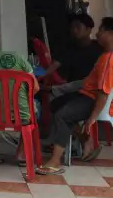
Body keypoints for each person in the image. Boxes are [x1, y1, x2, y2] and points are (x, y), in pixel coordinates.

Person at [37, 16, 113, 175]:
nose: (98, 34)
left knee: (63, 115)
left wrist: (92, 119)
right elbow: (86, 82)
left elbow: (103, 93)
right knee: (57, 106)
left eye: (101, 30)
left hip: (93, 100)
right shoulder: (104, 56)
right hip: (85, 95)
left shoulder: (109, 59)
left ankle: (55, 161)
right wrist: (57, 89)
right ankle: (85, 142)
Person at [42, 12, 100, 95]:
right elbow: (53, 66)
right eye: (72, 27)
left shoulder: (99, 47)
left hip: (94, 91)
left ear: (89, 29)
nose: (74, 30)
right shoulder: (68, 48)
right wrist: (40, 78)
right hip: (73, 91)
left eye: (78, 27)